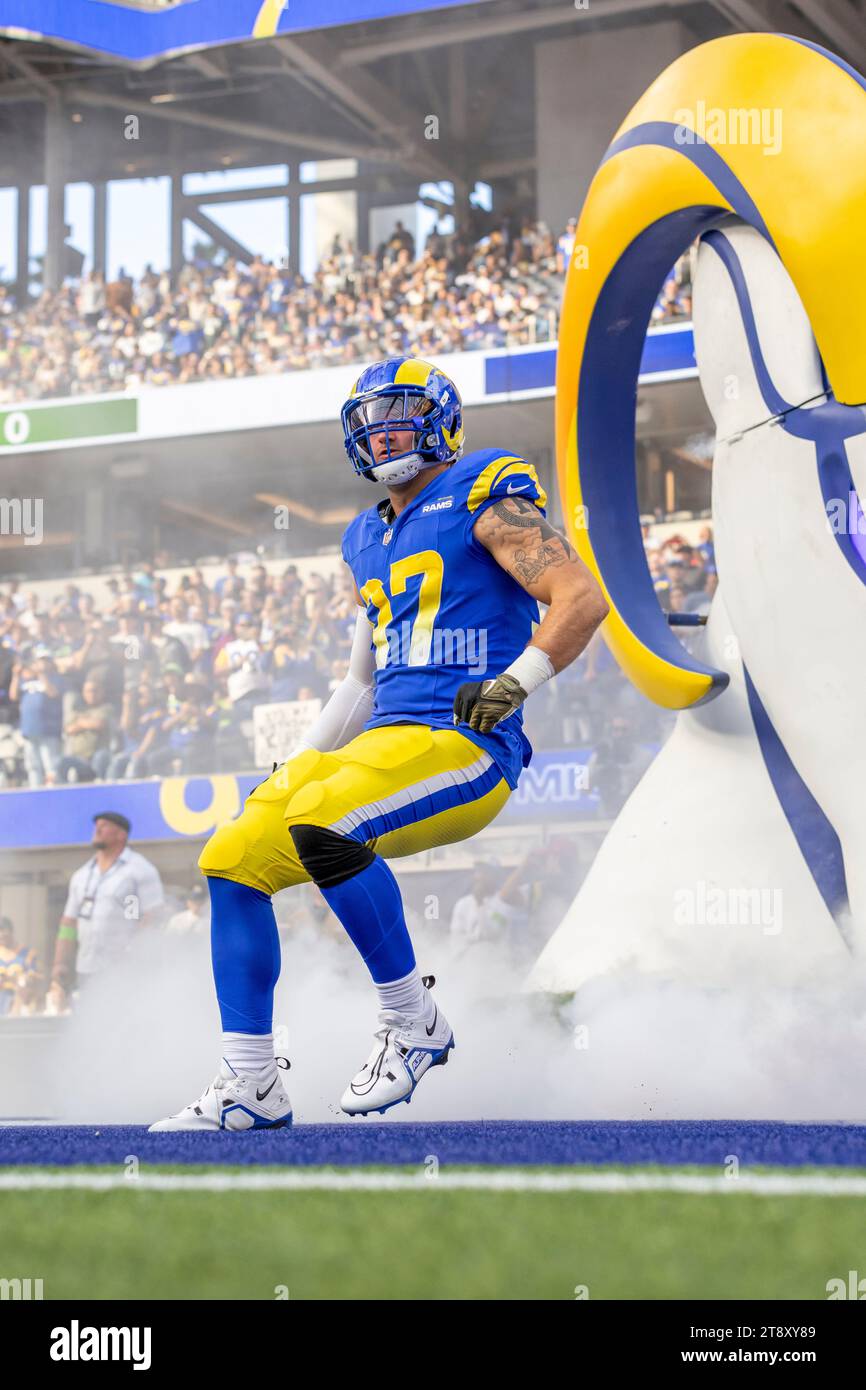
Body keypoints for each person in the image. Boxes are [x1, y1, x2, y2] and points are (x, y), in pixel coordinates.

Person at [150, 354, 608, 1132]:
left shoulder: (486, 494)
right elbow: (363, 677)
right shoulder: (366, 536)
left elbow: (581, 598)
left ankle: (412, 1021)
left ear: (441, 422)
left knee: (326, 816)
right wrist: (305, 752)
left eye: (398, 415)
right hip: (383, 743)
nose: (383, 432)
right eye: (369, 422)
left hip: (464, 744)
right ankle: (251, 1084)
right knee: (231, 853)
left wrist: (512, 687)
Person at [49, 812, 164, 1007]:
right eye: (96, 826)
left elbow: (151, 918)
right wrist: (60, 963)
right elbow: (69, 922)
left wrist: (132, 952)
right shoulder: (82, 875)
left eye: (104, 825)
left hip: (124, 970)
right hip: (86, 967)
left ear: (121, 835)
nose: (98, 829)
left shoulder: (137, 870)